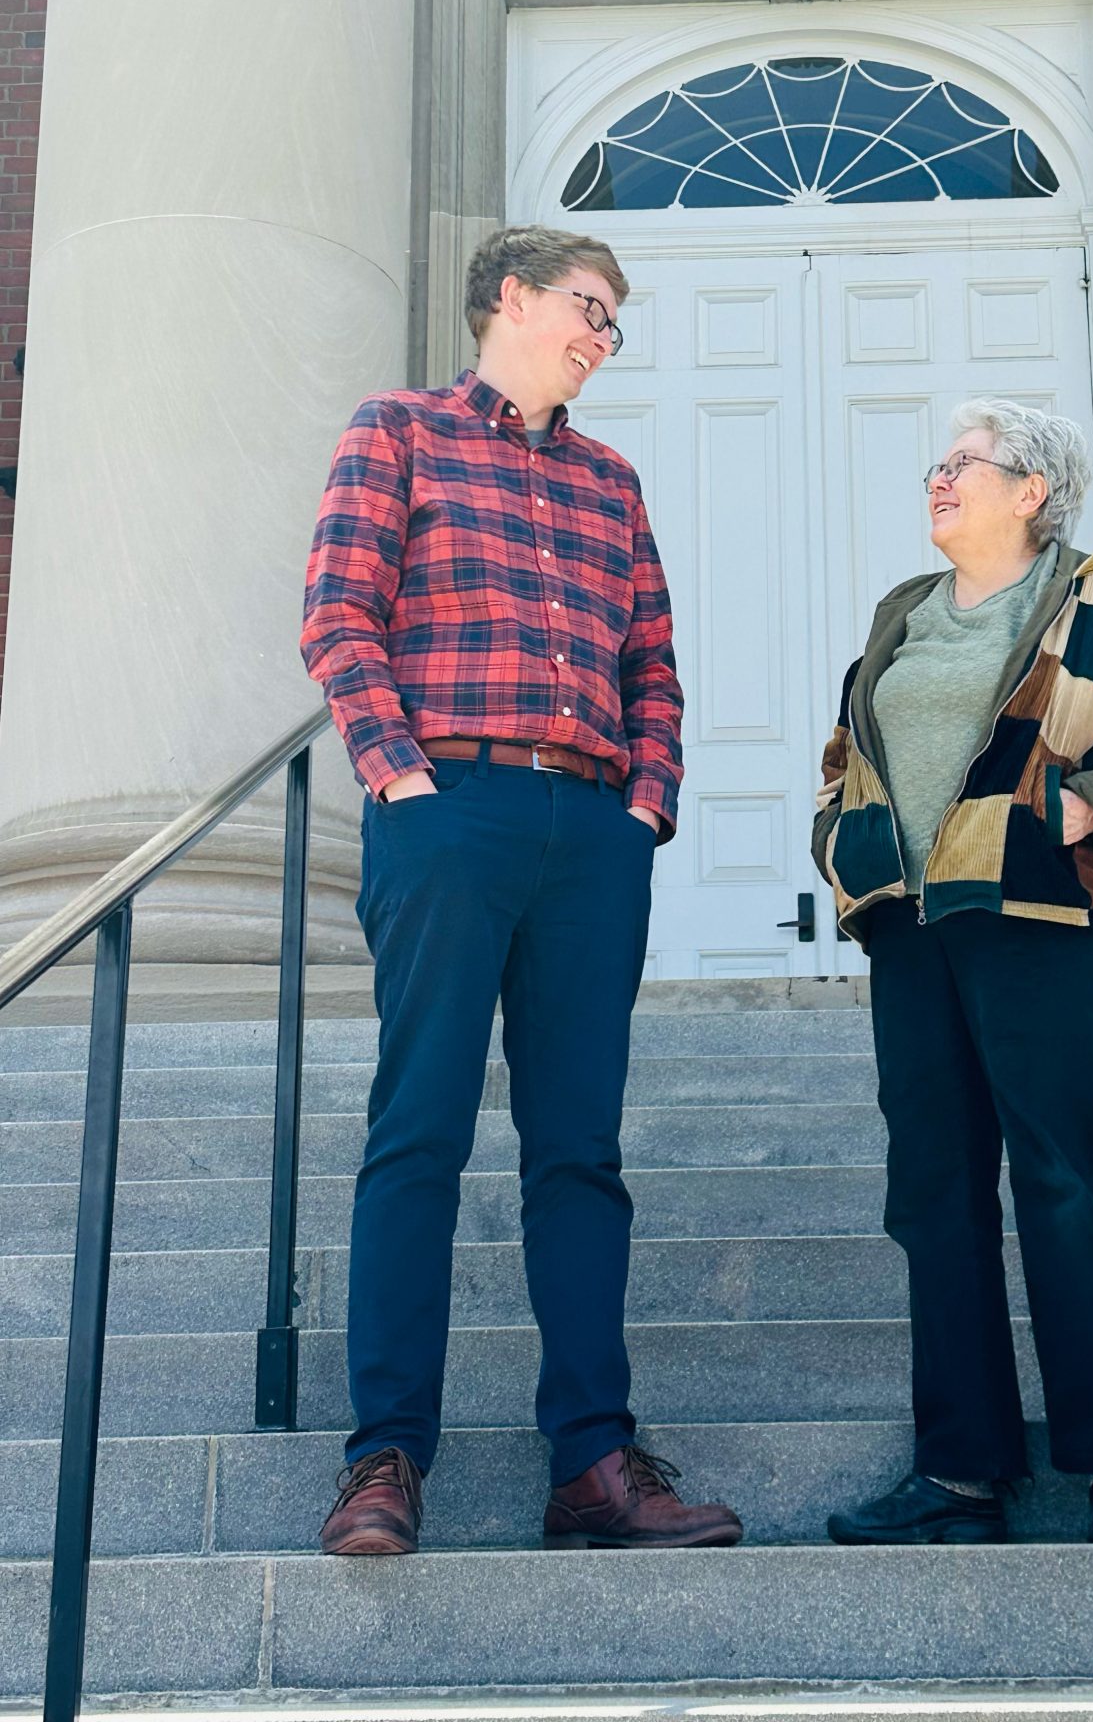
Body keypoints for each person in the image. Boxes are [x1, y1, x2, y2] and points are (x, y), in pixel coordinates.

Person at [301, 223, 742, 1555]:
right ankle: (385, 1458)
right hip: (452, 809)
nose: (602, 336)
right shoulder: (399, 432)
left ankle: (594, 1468)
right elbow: (338, 612)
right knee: (418, 1134)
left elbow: (653, 666)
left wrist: (644, 807)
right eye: (588, 307)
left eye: (617, 322)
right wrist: (399, 779)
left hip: (588, 834)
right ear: (508, 298)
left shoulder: (612, 482)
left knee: (579, 1157)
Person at [812, 399, 1093, 1546]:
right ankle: (959, 1471)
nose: (938, 478)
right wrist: (840, 848)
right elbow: (848, 755)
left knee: (1058, 1173)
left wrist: (1082, 813)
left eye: (963, 462)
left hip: (1045, 917)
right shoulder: (905, 614)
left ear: (1031, 488)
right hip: (914, 930)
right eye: (938, 462)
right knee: (932, 1194)